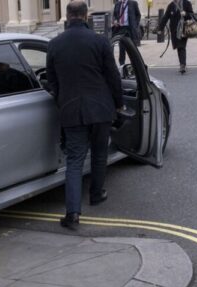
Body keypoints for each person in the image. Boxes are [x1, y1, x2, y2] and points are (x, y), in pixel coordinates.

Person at [47, 0, 124, 230]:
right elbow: (113, 77)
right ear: (86, 15)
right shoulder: (100, 41)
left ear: (67, 16)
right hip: (101, 108)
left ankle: (72, 215)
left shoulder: (55, 44)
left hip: (71, 110)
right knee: (100, 154)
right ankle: (97, 193)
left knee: (74, 161)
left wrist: (62, 101)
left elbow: (52, 81)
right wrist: (118, 104)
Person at [156, 0, 194, 74]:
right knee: (178, 46)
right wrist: (160, 29)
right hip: (174, 30)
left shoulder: (186, 3)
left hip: (184, 29)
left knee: (181, 46)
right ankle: (182, 64)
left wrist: (186, 14)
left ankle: (182, 65)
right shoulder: (171, 5)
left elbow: (192, 15)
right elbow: (165, 17)